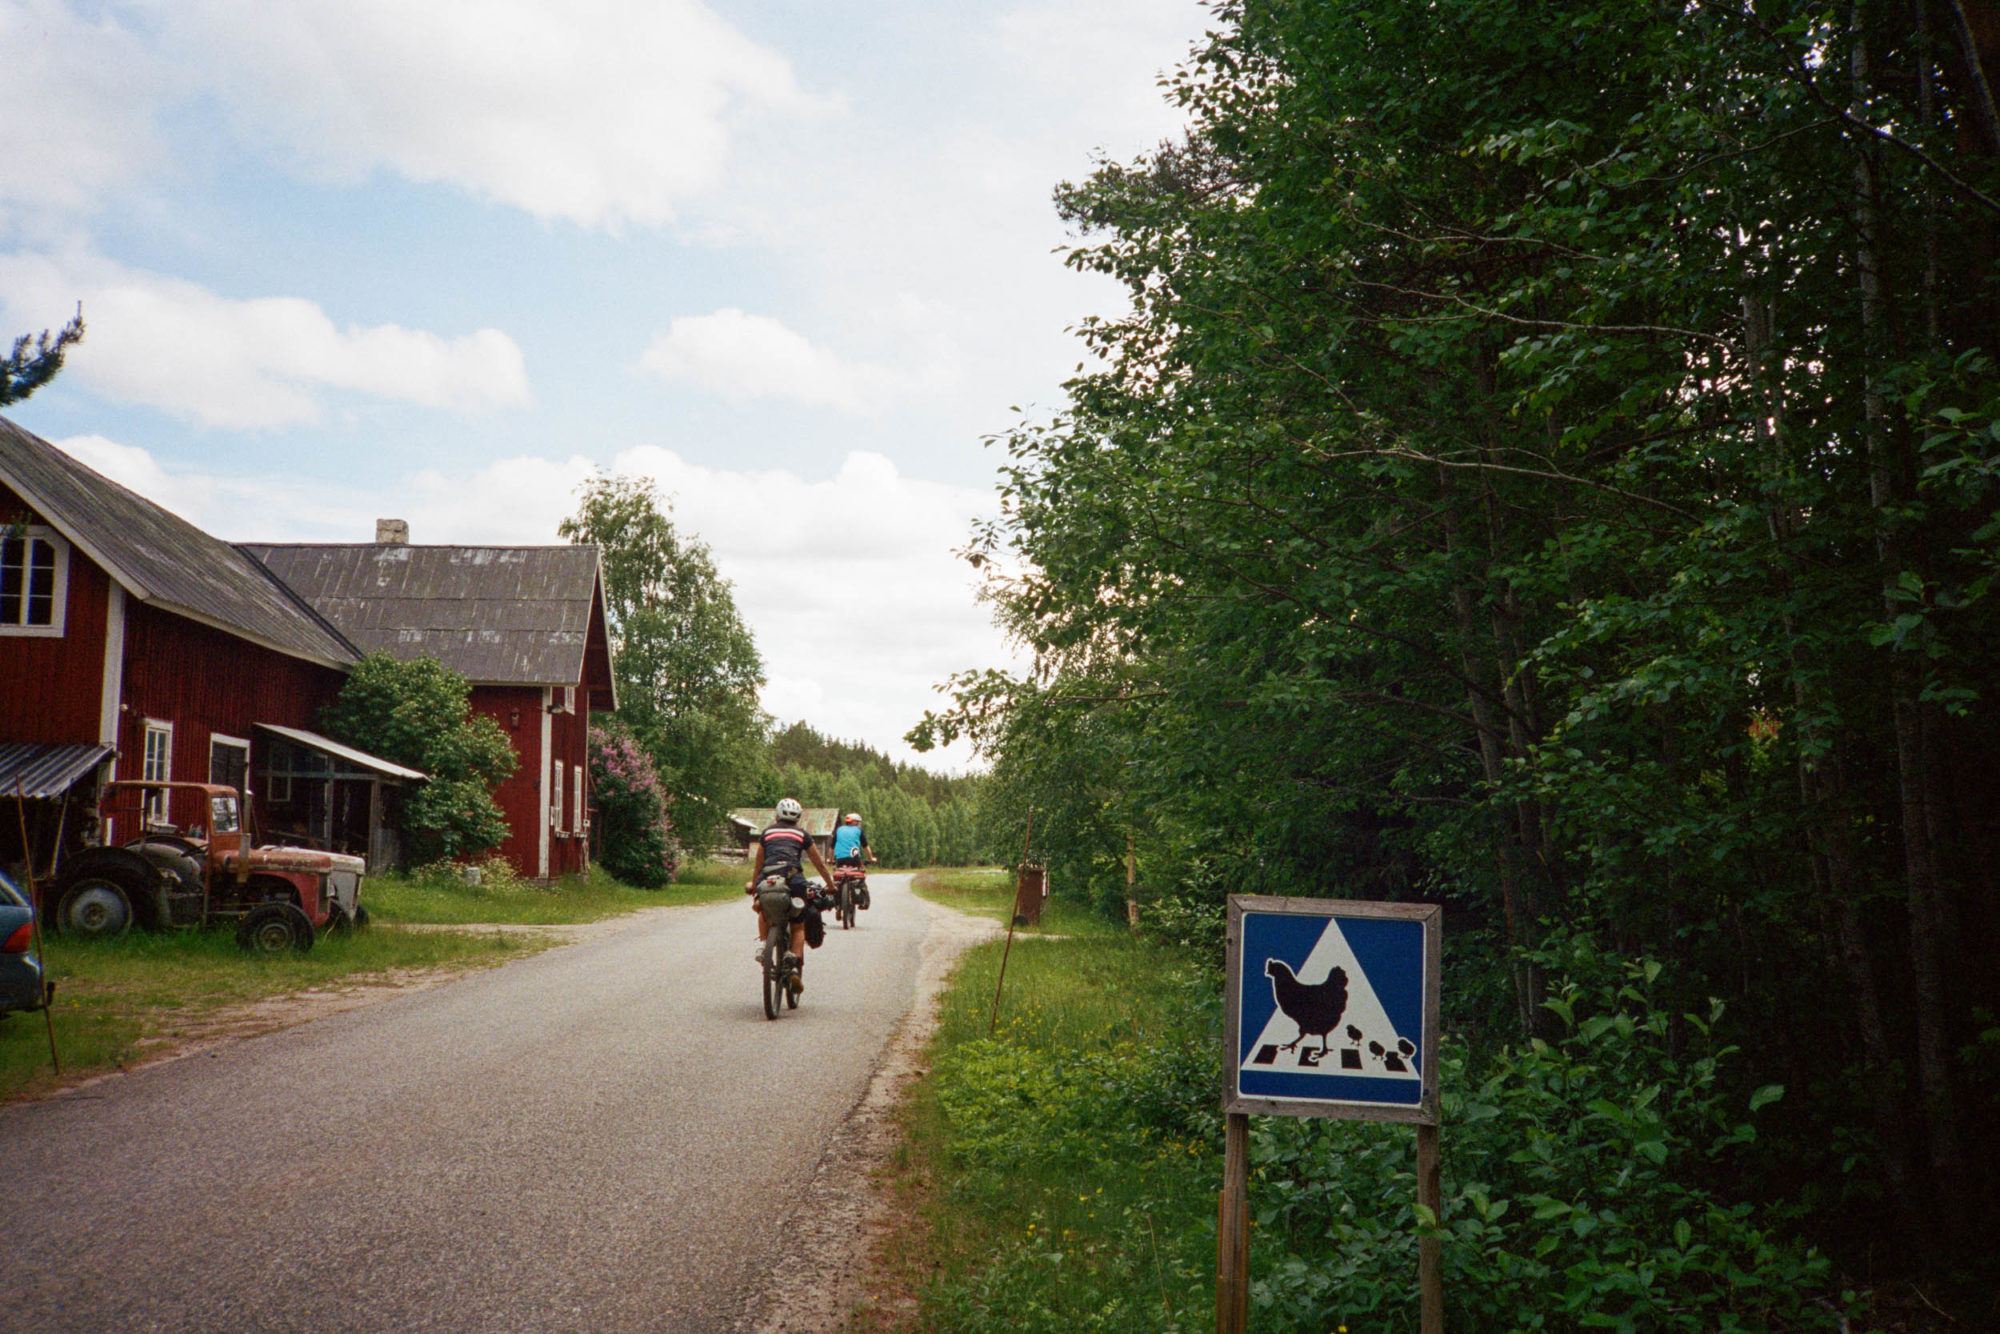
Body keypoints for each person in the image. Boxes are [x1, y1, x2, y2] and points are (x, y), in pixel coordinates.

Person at [745, 797, 837, 990]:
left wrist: (754, 885)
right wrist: (830, 885)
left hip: (769, 879)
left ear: (777, 815)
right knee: (798, 925)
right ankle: (793, 964)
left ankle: (763, 944)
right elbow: (819, 864)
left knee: (763, 909)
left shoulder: (767, 833)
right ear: (798, 817)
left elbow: (758, 865)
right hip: (794, 880)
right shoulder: (802, 834)